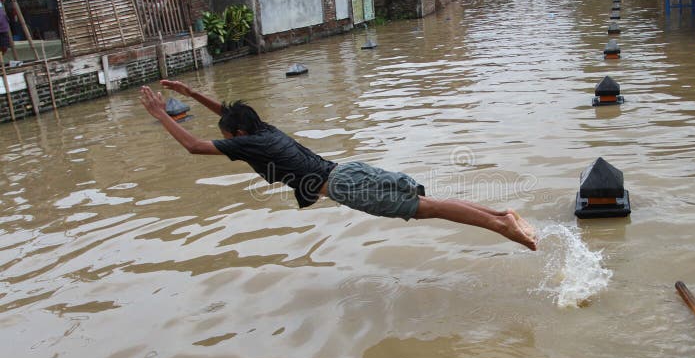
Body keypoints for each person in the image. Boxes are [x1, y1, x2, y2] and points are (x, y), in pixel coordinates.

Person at [139, 81, 539, 251]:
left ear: (238, 136)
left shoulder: (249, 146)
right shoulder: (266, 130)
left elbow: (193, 146)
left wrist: (162, 115)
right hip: (350, 169)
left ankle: (501, 226)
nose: (226, 138)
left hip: (345, 187)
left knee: (426, 209)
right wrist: (191, 93)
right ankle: (501, 213)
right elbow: (229, 114)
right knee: (428, 203)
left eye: (229, 135)